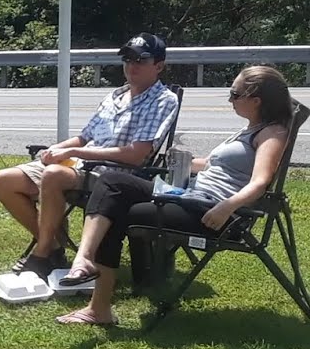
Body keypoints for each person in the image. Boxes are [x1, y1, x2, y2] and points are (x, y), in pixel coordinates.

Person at [55, 65, 294, 325]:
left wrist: (227, 207)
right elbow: (217, 166)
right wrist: (186, 162)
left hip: (213, 214)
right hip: (191, 197)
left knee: (118, 210)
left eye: (235, 94)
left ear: (256, 101)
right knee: (113, 182)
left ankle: (97, 307)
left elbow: (260, 182)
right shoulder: (250, 128)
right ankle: (85, 260)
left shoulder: (271, 133)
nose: (230, 100)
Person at [0, 33, 180, 278]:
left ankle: (42, 254)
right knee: (3, 180)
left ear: (159, 66)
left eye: (140, 60)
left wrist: (73, 152)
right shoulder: (114, 97)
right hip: (80, 165)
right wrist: (57, 149)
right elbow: (83, 137)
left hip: (112, 175)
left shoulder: (163, 100)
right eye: (127, 59)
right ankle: (54, 246)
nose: (131, 66)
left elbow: (136, 155)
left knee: (54, 175)